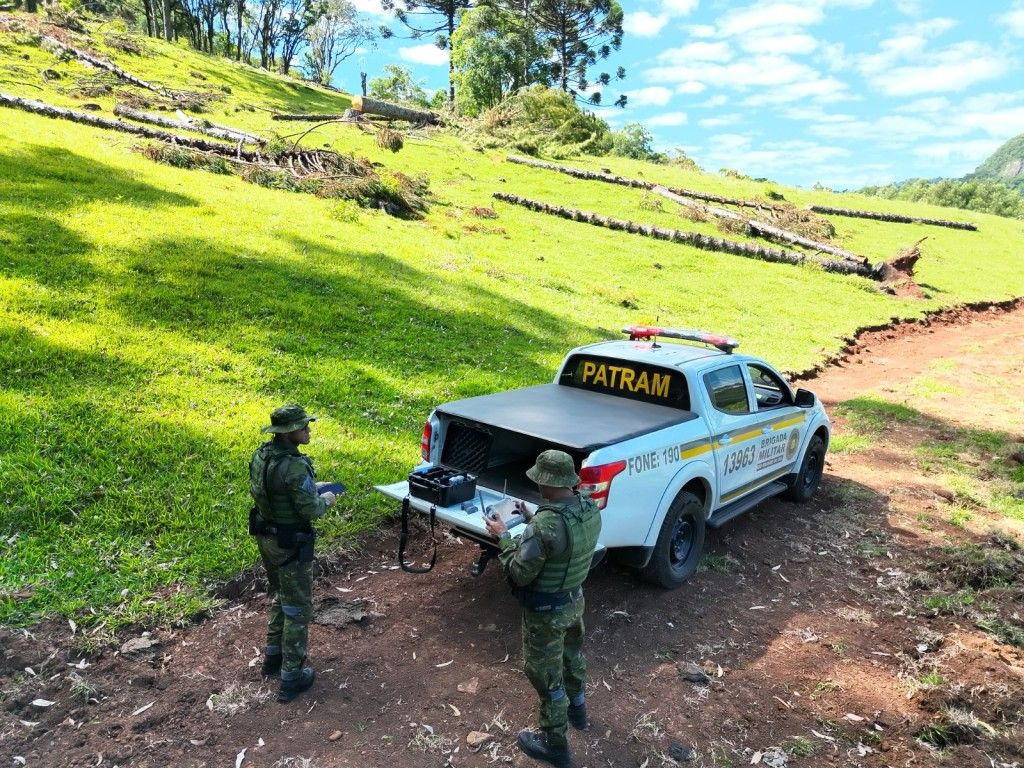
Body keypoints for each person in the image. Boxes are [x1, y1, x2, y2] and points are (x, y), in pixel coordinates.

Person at [484, 450, 603, 768]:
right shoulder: (588, 507)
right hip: (574, 601)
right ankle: (579, 712)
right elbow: (563, 539)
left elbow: (520, 572)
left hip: (546, 613)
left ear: (546, 483)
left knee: (546, 677)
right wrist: (532, 518)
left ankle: (555, 746)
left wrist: (504, 537)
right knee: (573, 658)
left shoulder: (544, 526)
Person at [249, 404, 337, 703]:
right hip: (290, 545)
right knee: (297, 609)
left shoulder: (262, 456)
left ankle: (272, 658)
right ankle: (292, 677)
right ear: (288, 433)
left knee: (280, 597)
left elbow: (275, 492)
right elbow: (310, 509)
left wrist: (311, 488)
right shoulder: (296, 466)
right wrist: (326, 498)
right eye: (304, 426)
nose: (309, 430)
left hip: (267, 538)